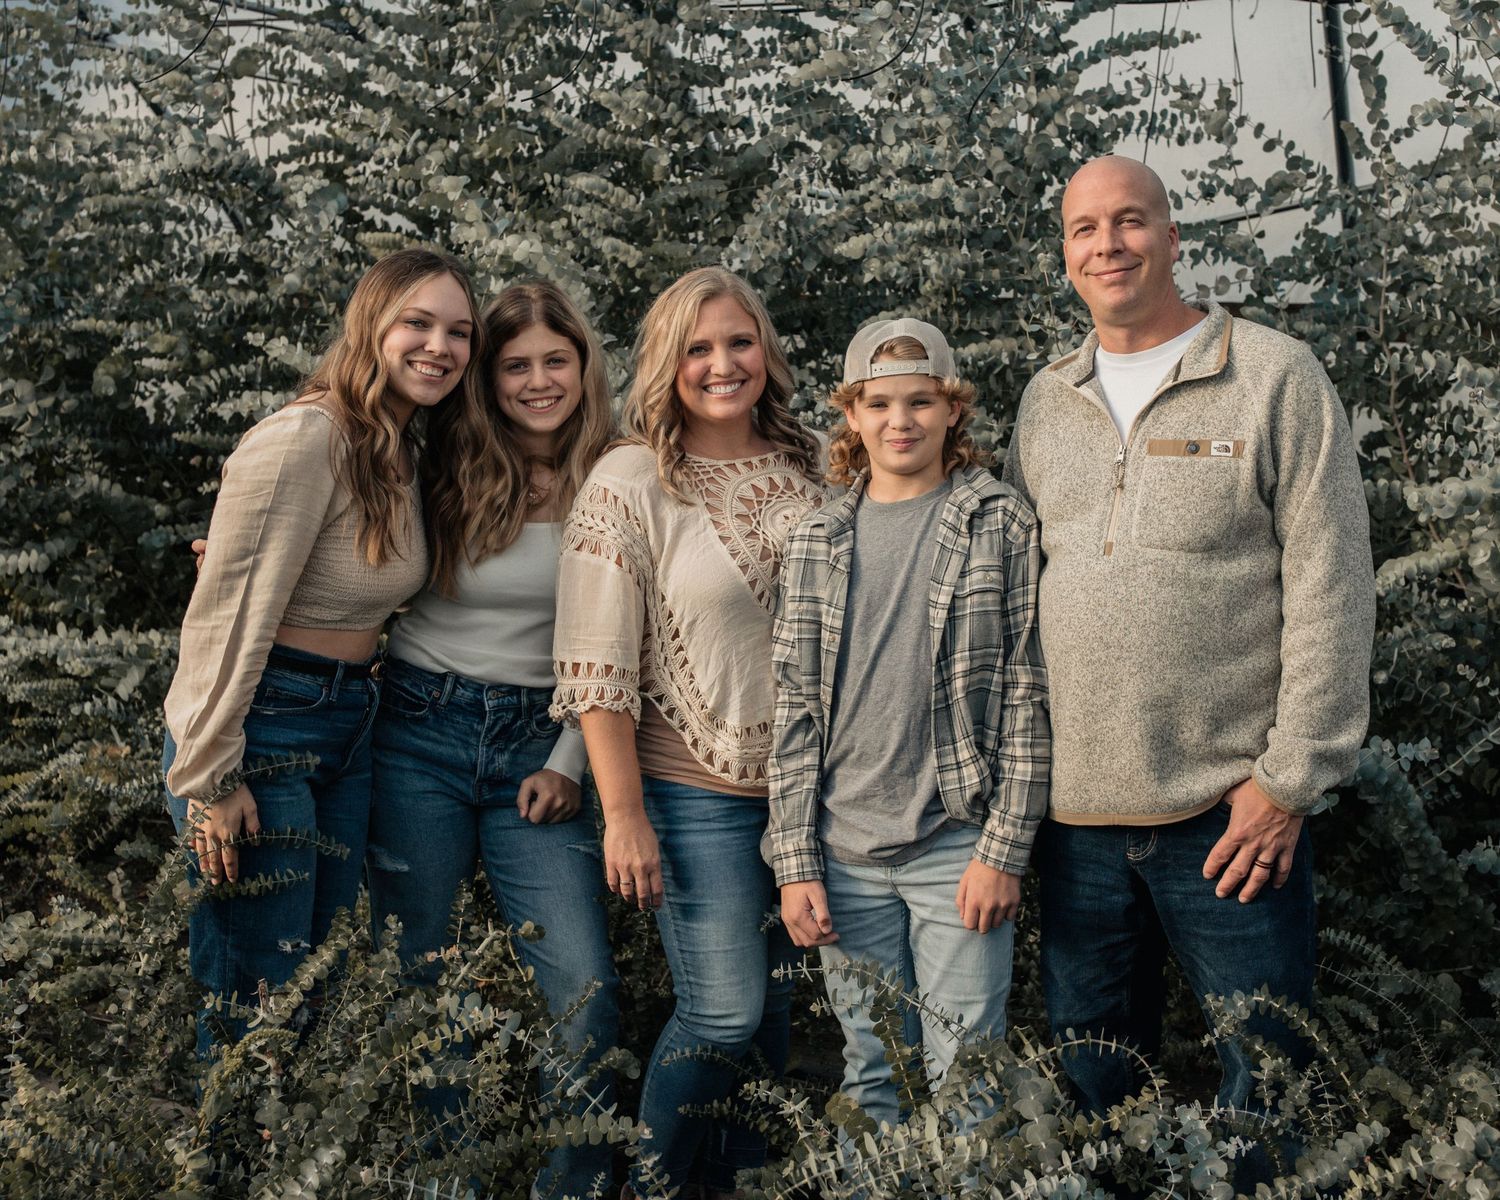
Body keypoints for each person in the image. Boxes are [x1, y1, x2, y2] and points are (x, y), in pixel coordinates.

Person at [1001, 157, 1376, 1132]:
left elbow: (1332, 585)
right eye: (1085, 229)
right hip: (1076, 821)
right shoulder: (1048, 401)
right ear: (1066, 258)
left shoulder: (1271, 376)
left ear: (1174, 237)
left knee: (1276, 1088)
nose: (1108, 244)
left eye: (1130, 221)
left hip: (1229, 813)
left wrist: (1289, 781)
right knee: (1095, 1095)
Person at [163, 248, 483, 1053]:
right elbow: (224, 621)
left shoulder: (404, 451)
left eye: (459, 332)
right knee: (257, 991)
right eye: (417, 323)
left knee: (319, 980)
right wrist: (213, 776)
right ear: (370, 324)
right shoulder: (306, 438)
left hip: (348, 722)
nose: (438, 347)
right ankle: (230, 1169)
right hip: (264, 725)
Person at [550, 266, 826, 1199]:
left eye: (739, 342)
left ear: (767, 351)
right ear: (667, 364)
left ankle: (730, 1182)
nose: (722, 364)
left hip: (811, 795)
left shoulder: (818, 462)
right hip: (691, 793)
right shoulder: (632, 478)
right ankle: (649, 1187)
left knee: (776, 1019)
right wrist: (622, 814)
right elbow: (598, 664)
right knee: (721, 1010)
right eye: (698, 348)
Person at [363, 280, 621, 1200]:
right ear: (486, 375)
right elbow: (333, 516)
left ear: (584, 366)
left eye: (557, 360)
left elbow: (630, 643)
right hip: (419, 732)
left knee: (584, 989)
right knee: (421, 979)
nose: (539, 381)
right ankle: (446, 1181)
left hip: (543, 747)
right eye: (516, 364)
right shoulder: (439, 458)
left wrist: (568, 764)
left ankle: (576, 1182)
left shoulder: (621, 471)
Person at [765, 319, 1050, 1131]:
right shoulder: (817, 537)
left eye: (921, 401)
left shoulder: (998, 522)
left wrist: (1004, 850)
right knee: (872, 1071)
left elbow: (1027, 696)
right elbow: (794, 714)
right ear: (850, 415)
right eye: (879, 402)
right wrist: (795, 862)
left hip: (955, 844)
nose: (902, 421)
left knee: (969, 1077)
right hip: (842, 853)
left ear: (952, 409)